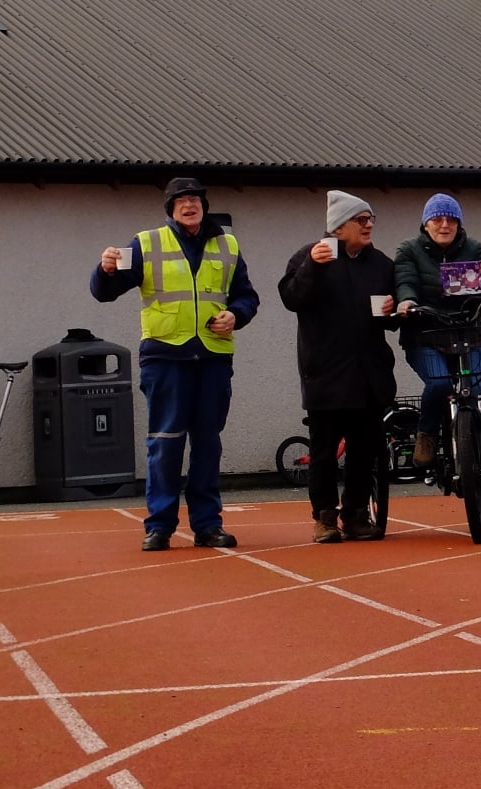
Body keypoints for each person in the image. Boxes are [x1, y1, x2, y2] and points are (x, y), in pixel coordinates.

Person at [91, 176, 259, 551]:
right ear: (170, 209)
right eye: (181, 200)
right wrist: (105, 269)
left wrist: (235, 314)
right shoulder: (147, 243)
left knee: (207, 443)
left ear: (204, 205)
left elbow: (247, 296)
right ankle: (160, 526)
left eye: (195, 199)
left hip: (213, 357)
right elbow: (105, 292)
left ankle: (208, 525)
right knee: (165, 443)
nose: (189, 204)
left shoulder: (228, 244)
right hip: (166, 356)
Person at [277, 192, 400, 543]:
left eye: (371, 219)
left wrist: (391, 310)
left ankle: (356, 515)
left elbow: (392, 321)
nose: (369, 225)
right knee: (323, 453)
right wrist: (312, 267)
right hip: (325, 373)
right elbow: (291, 298)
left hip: (369, 374)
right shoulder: (310, 255)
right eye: (361, 220)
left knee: (365, 451)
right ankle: (325, 517)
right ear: (338, 226)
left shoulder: (381, 264)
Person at [391, 193, 481, 472]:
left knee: (479, 392)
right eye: (437, 219)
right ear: (426, 224)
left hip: (468, 335)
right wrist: (407, 302)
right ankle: (426, 435)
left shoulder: (474, 248)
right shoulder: (409, 249)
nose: (444, 225)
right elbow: (406, 281)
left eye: (451, 220)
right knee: (440, 384)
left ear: (459, 224)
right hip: (426, 335)